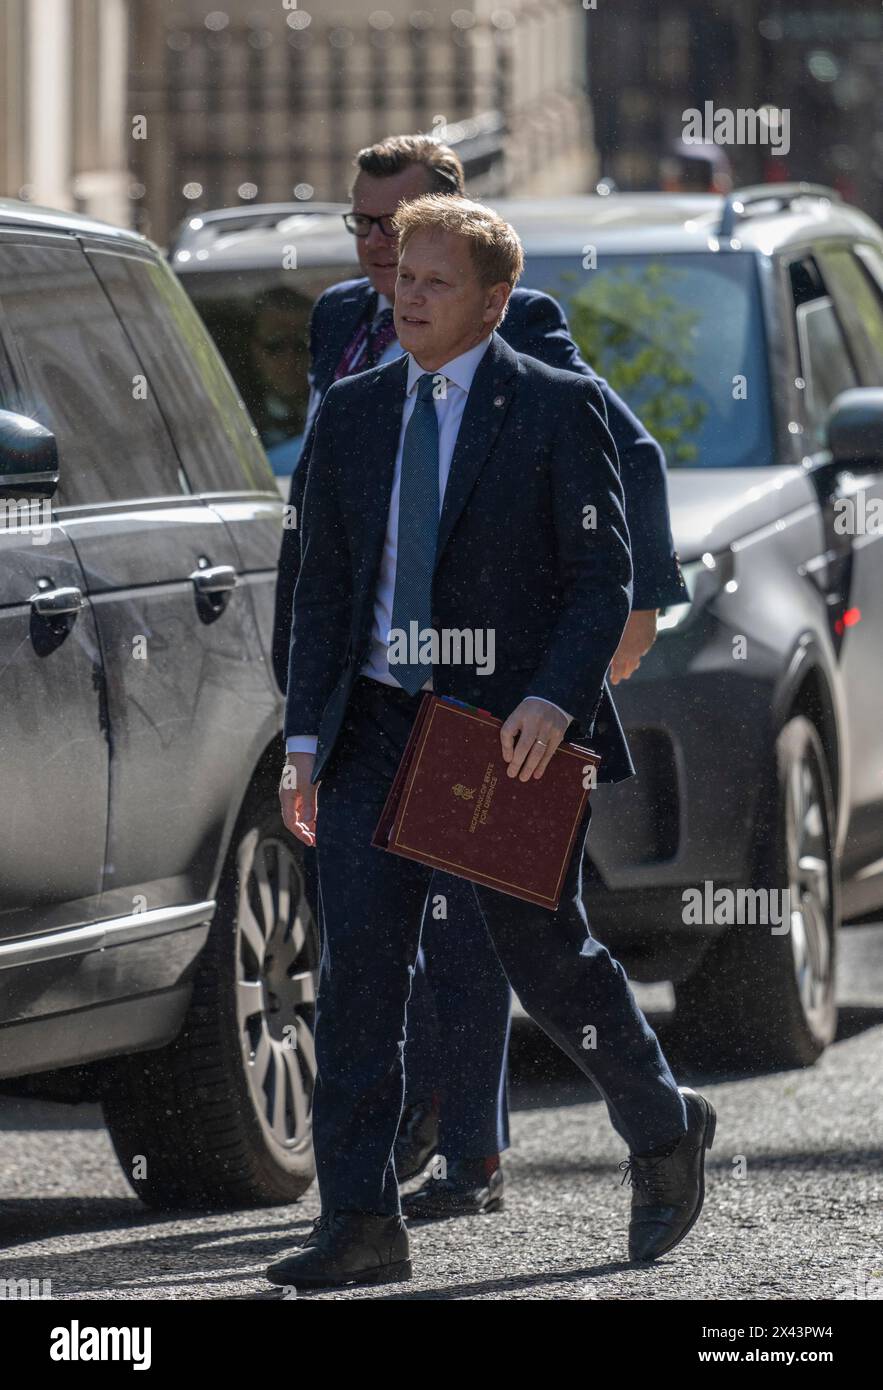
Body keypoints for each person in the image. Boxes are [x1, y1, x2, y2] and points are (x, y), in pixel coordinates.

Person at [267, 194, 714, 1289]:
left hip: (499, 735)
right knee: (359, 973)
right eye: (401, 277)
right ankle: (359, 1222)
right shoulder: (355, 411)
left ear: (494, 300)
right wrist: (304, 736)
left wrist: (556, 700)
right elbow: (322, 585)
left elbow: (600, 578)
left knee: (542, 955)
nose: (407, 296)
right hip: (374, 725)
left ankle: (662, 1127)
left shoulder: (557, 405)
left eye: (435, 282)